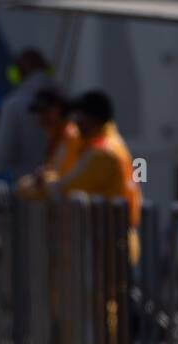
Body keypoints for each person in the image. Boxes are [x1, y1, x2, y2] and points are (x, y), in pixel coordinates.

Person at [45, 89, 143, 263]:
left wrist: (41, 181)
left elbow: (64, 187)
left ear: (94, 119)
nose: (76, 123)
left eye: (80, 117)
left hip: (110, 244)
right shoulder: (112, 144)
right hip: (116, 239)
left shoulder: (102, 153)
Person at [0, 48, 54, 180]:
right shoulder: (65, 99)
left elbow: (0, 159)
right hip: (60, 190)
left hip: (27, 187)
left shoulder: (13, 104)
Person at [15, 88, 81, 200]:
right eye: (39, 112)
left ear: (60, 109)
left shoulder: (71, 137)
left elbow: (60, 181)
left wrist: (41, 178)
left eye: (46, 111)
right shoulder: (56, 137)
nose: (41, 117)